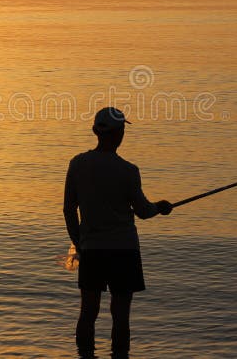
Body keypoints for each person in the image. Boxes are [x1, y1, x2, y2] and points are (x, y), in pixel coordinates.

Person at [63, 107, 172, 358]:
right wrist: (160, 207)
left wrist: (78, 242)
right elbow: (143, 211)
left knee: (87, 313)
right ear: (120, 133)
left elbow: (69, 209)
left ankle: (84, 354)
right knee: (121, 316)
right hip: (124, 251)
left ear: (95, 131)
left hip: (91, 249)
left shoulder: (78, 164)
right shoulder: (128, 170)